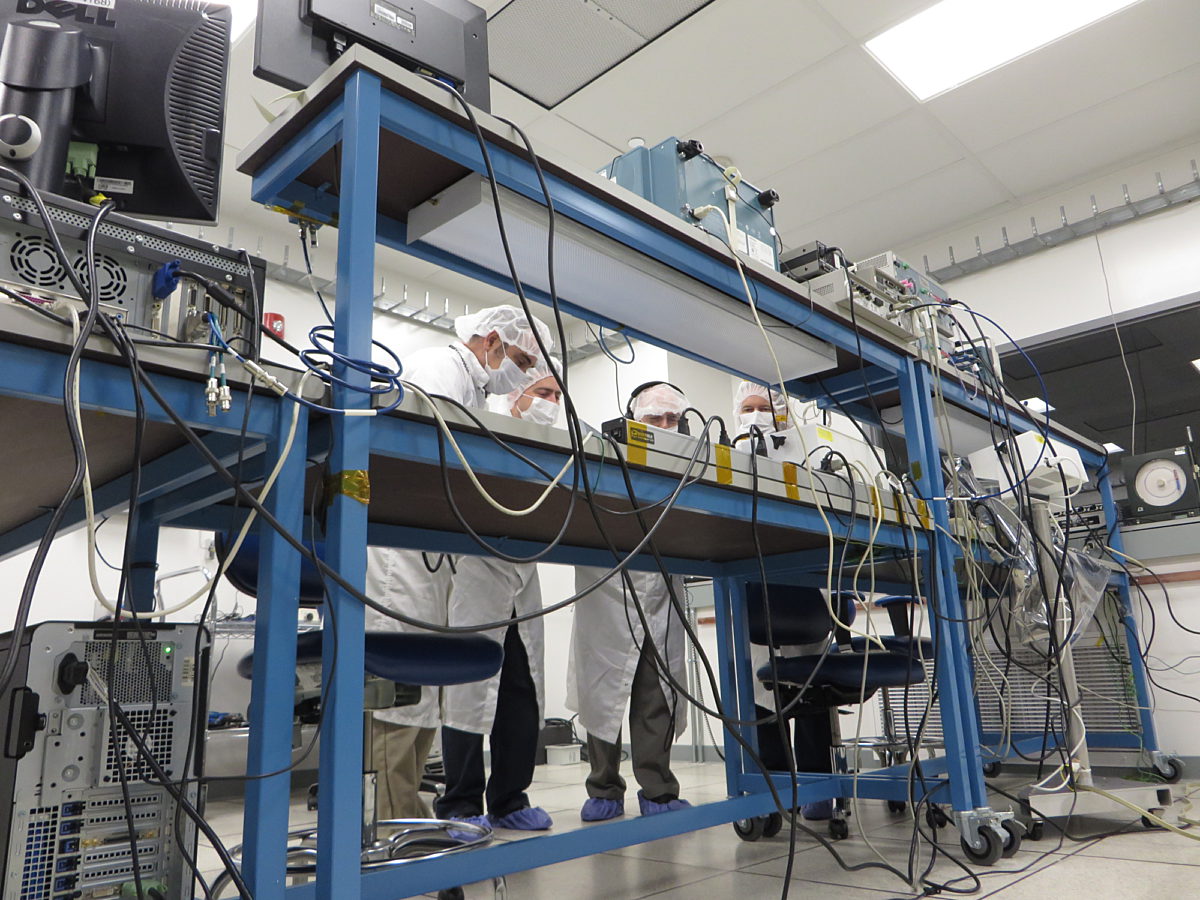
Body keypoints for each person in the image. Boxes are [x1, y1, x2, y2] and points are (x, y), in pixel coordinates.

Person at [366, 305, 552, 820]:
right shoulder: (441, 371)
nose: (522, 370)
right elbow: (430, 465)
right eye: (519, 358)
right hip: (401, 564)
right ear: (491, 341)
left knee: (423, 696)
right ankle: (391, 830)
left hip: (431, 559)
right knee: (403, 697)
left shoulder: (471, 387)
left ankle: (401, 820)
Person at [435, 358, 564, 833]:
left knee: (522, 689)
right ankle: (460, 803)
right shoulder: (484, 434)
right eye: (541, 394)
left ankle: (510, 799)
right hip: (475, 571)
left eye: (556, 396)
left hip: (523, 578)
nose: (550, 405)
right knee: (469, 690)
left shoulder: (554, 450)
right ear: (515, 396)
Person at [567, 381, 692, 821]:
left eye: (671, 419)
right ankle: (603, 788)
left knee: (656, 692)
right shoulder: (603, 456)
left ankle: (658, 790)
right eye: (653, 420)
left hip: (660, 592)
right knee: (603, 690)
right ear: (631, 422)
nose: (663, 428)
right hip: (607, 589)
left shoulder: (687, 467)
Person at [733, 380, 836, 821]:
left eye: (765, 408)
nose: (755, 416)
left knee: (811, 690)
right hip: (754, 588)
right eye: (748, 407)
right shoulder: (730, 455)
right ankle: (772, 789)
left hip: (804, 586)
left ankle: (818, 784)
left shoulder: (806, 453)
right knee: (761, 694)